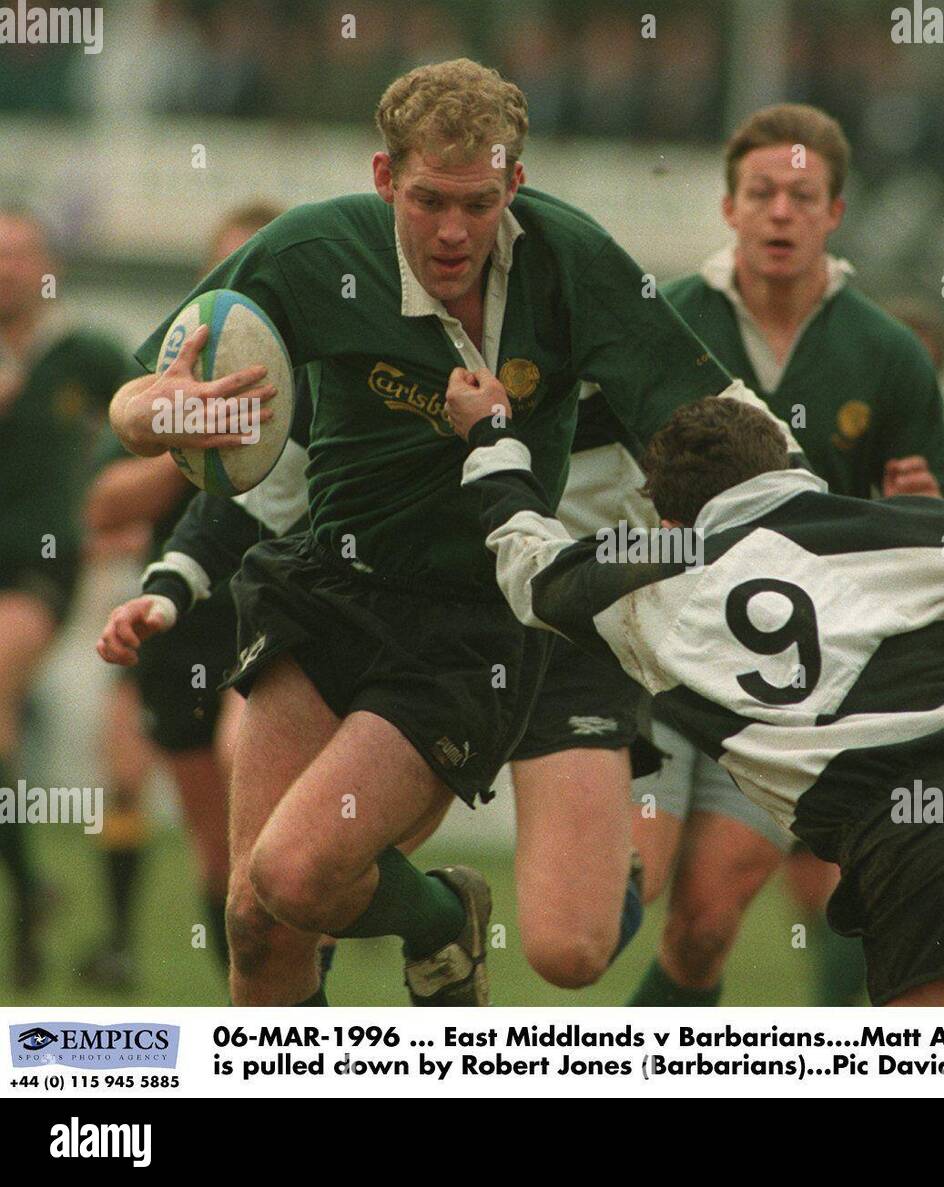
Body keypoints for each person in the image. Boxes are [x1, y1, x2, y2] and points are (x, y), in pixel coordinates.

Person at [102, 59, 797, 1007]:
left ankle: (437, 919)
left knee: (301, 876)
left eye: (478, 201)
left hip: (470, 627)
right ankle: (415, 944)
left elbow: (709, 420)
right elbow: (136, 401)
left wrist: (814, 531)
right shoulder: (312, 248)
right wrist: (163, 413)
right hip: (323, 589)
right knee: (258, 921)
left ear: (514, 183)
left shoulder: (571, 259)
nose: (454, 230)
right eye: (429, 199)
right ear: (386, 178)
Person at [448, 379, 944, 1007]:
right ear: (783, 463)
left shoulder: (648, 576)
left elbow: (529, 567)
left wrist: (493, 438)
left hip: (923, 841)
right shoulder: (888, 519)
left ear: (669, 517)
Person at [627, 103, 944, 1008]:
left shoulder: (889, 354)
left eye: (802, 195)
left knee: (703, 923)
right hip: (658, 655)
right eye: (763, 192)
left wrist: (923, 512)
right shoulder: (662, 326)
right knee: (630, 885)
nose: (782, 211)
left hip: (789, 681)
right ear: (730, 206)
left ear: (835, 214)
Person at [78, 202, 289, 990]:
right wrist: (200, 445)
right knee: (223, 857)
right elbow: (100, 505)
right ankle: (255, 1009)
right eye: (227, 272)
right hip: (187, 611)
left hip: (290, 616)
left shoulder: (317, 372)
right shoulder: (165, 385)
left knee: (280, 840)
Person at [0, 206, 135, 987]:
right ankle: (29, 893)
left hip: (36, 568)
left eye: (21, 254)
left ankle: (32, 896)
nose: (8, 268)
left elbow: (145, 421)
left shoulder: (82, 351)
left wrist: (117, 516)